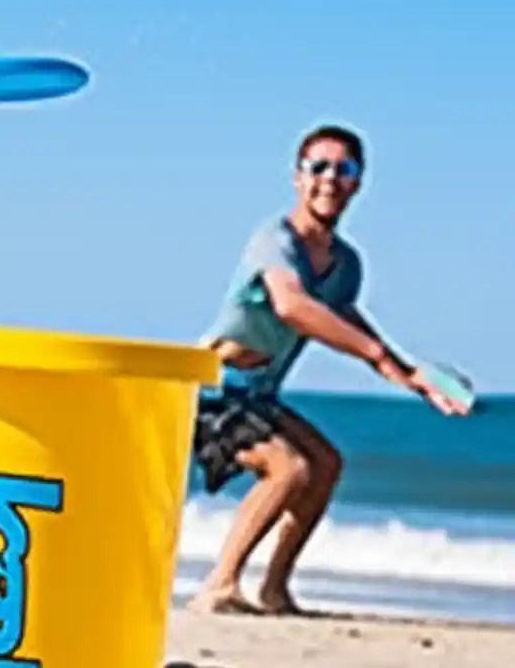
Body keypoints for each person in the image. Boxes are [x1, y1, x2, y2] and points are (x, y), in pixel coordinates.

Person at [187, 124, 469, 616]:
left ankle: (275, 589)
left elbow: (346, 321)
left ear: (359, 182)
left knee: (326, 465)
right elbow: (293, 305)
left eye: (345, 169)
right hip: (210, 392)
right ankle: (219, 584)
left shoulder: (346, 265)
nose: (330, 179)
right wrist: (377, 355)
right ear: (297, 177)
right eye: (318, 167)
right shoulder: (274, 240)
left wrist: (410, 376)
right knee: (288, 469)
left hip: (259, 400)